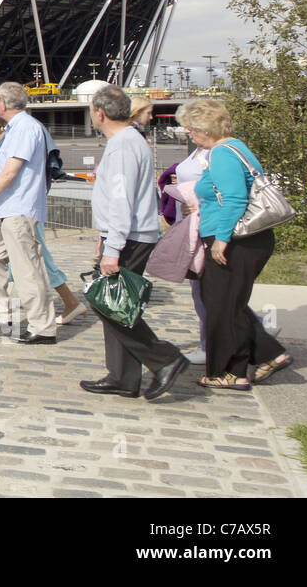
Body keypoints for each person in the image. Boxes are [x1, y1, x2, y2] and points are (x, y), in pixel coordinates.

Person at [79, 86, 187, 399]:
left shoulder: (124, 145)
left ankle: (164, 359)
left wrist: (112, 249)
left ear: (100, 113)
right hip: (126, 235)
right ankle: (123, 377)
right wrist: (105, 237)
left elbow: (121, 200)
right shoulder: (127, 141)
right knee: (115, 303)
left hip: (130, 237)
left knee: (109, 306)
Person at [183, 100, 292, 390]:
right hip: (243, 238)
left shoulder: (222, 153)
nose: (189, 134)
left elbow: (233, 198)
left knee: (221, 307)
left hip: (235, 239)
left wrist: (221, 240)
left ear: (206, 128)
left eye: (191, 129)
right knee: (231, 304)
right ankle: (270, 354)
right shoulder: (236, 147)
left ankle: (231, 372)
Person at [0, 109, 86, 325]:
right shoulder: (20, 137)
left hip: (20, 210)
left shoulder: (22, 134)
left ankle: (58, 310)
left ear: (1, 128)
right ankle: (2, 309)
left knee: (33, 262)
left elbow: (14, 177)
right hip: (16, 210)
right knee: (11, 259)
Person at [0, 82, 56, 343]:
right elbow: (9, 169)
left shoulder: (26, 129)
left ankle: (43, 326)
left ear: (2, 104)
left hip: (18, 210)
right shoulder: (16, 130)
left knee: (27, 268)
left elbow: (11, 173)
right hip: (5, 209)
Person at [170, 102, 212, 366]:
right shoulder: (200, 151)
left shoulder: (213, 154)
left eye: (191, 125)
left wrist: (195, 204)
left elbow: (221, 193)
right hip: (192, 225)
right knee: (203, 289)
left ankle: (210, 345)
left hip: (204, 228)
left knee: (206, 290)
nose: (186, 130)